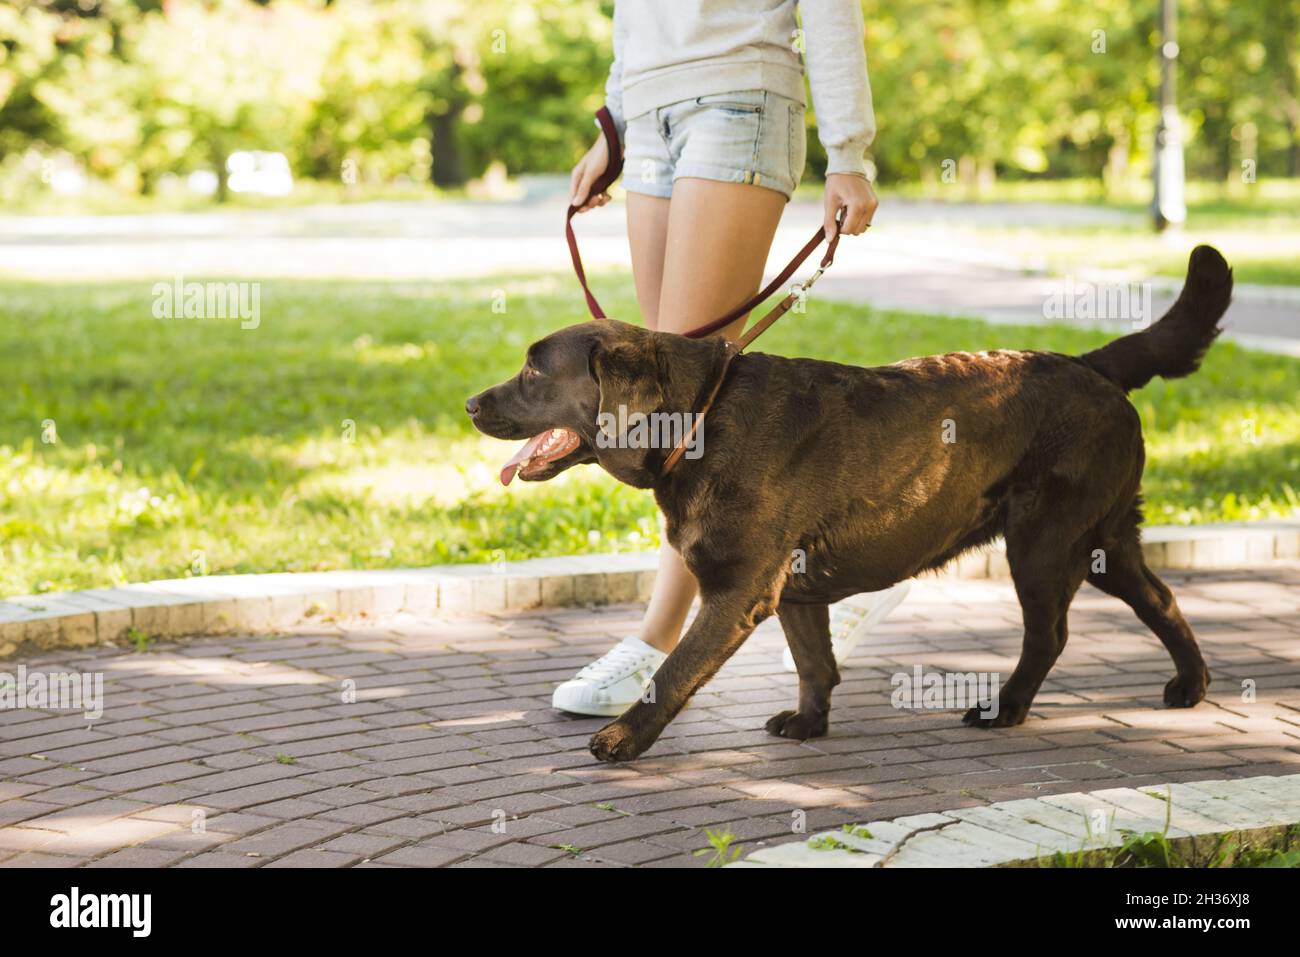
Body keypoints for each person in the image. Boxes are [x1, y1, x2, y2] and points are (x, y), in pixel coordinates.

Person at [553, 0, 908, 717]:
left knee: (678, 406)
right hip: (651, 117)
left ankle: (655, 642)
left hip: (739, 101)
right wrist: (614, 130)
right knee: (660, 409)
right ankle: (852, 562)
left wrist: (849, 151)